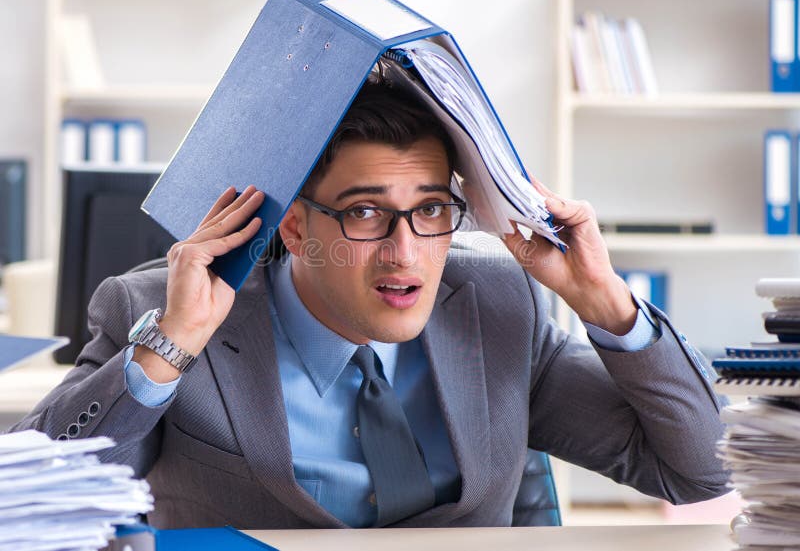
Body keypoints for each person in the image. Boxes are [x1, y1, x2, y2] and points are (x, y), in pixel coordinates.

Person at [11, 81, 728, 529]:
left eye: (430, 210)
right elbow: (39, 503)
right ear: (293, 224)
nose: (404, 251)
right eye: (363, 213)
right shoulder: (163, 311)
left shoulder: (497, 303)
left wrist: (607, 304)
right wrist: (169, 347)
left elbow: (702, 469)